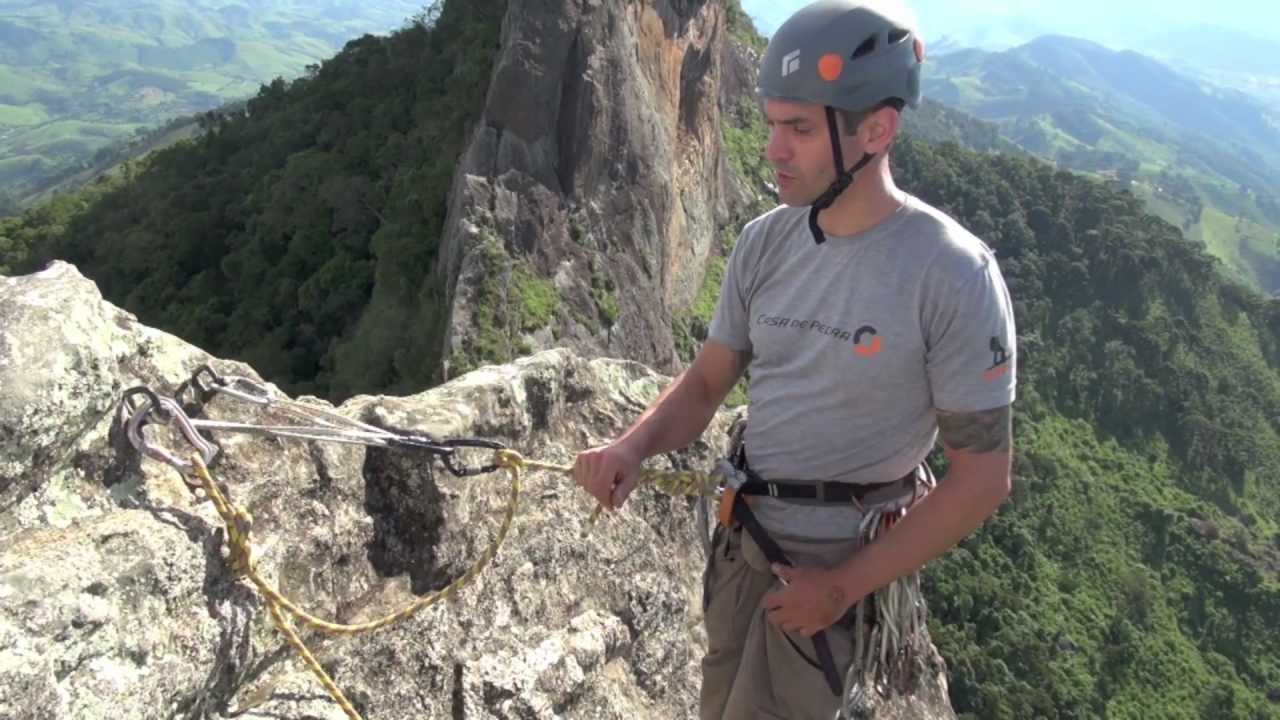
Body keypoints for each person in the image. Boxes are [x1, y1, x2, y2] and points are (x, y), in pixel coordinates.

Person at [572, 0, 1017, 717]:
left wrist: (840, 587)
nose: (773, 149)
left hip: (836, 576)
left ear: (876, 130)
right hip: (743, 545)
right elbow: (708, 383)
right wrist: (634, 445)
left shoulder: (953, 274)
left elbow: (982, 481)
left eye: (800, 130)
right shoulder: (765, 242)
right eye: (774, 123)